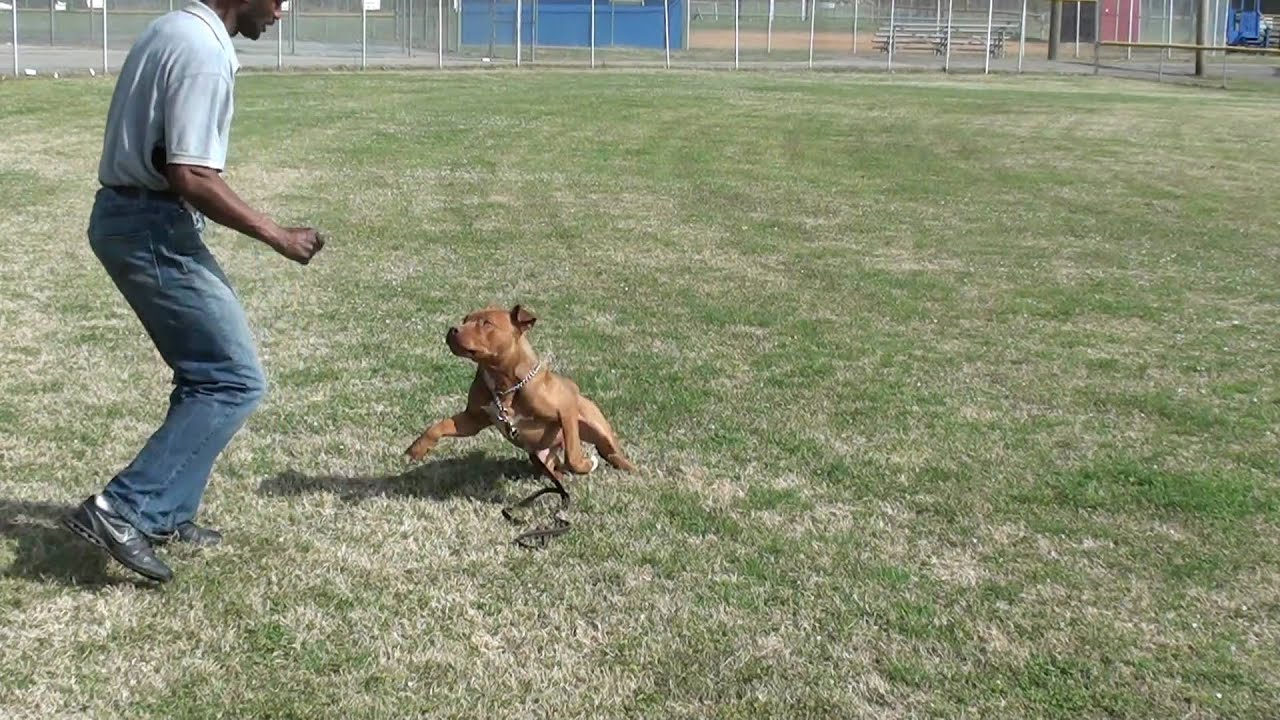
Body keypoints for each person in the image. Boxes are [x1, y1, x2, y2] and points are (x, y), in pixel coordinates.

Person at [62, 0, 324, 584]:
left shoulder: (173, 26)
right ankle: (124, 509)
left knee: (207, 374)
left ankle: (168, 511)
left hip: (133, 217)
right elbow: (191, 174)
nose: (282, 12)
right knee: (234, 380)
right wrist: (278, 236)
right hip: (149, 225)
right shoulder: (204, 49)